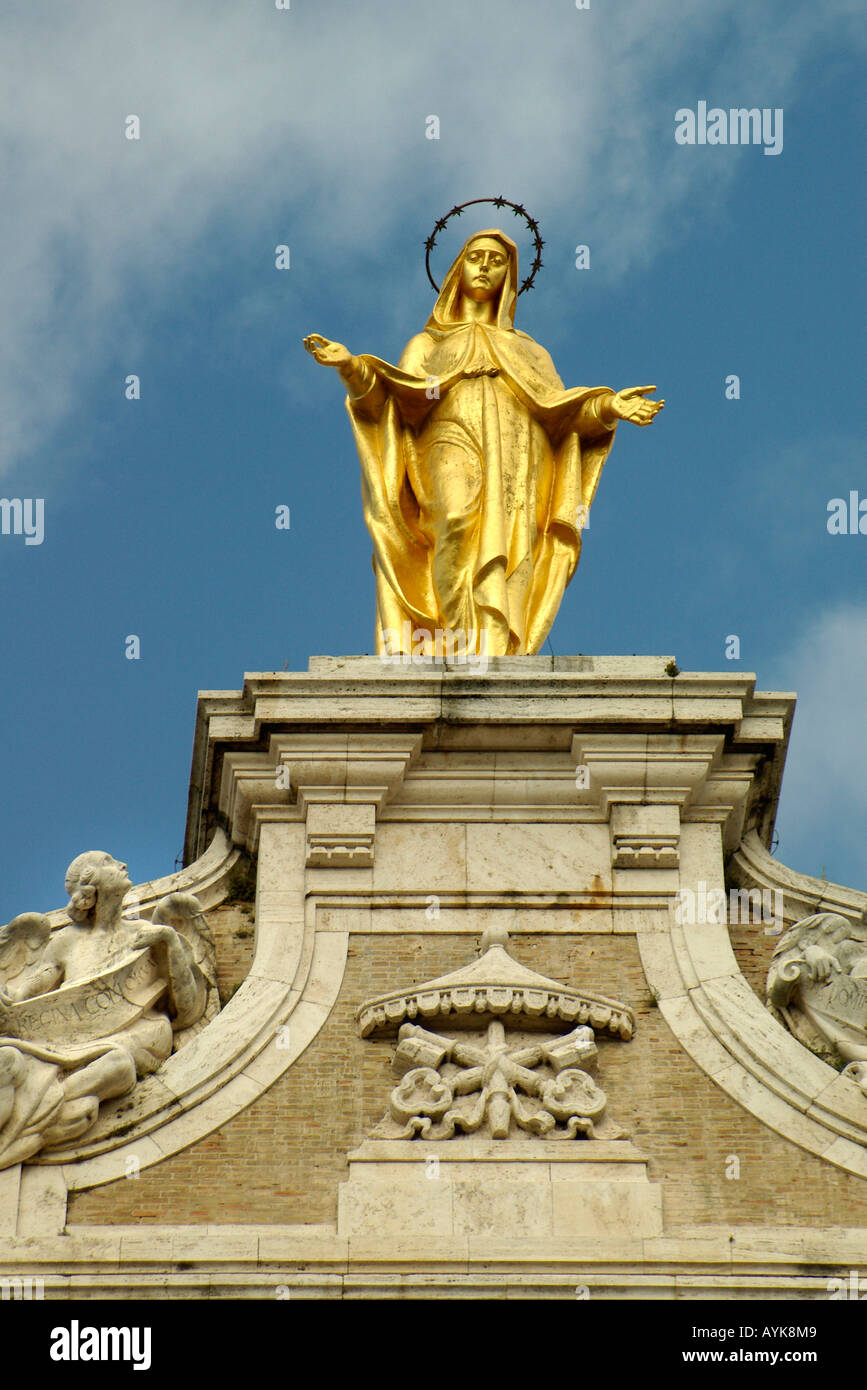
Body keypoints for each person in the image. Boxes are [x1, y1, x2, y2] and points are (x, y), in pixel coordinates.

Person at [305, 229, 663, 656]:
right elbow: (394, 400)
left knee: (513, 551)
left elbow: (561, 413)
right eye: (477, 257)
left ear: (508, 279)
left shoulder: (529, 352)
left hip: (519, 455)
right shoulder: (428, 344)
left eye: (497, 262)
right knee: (455, 519)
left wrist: (609, 407)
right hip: (447, 437)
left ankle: (492, 649)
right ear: (459, 269)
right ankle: (453, 643)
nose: (486, 266)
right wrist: (351, 369)